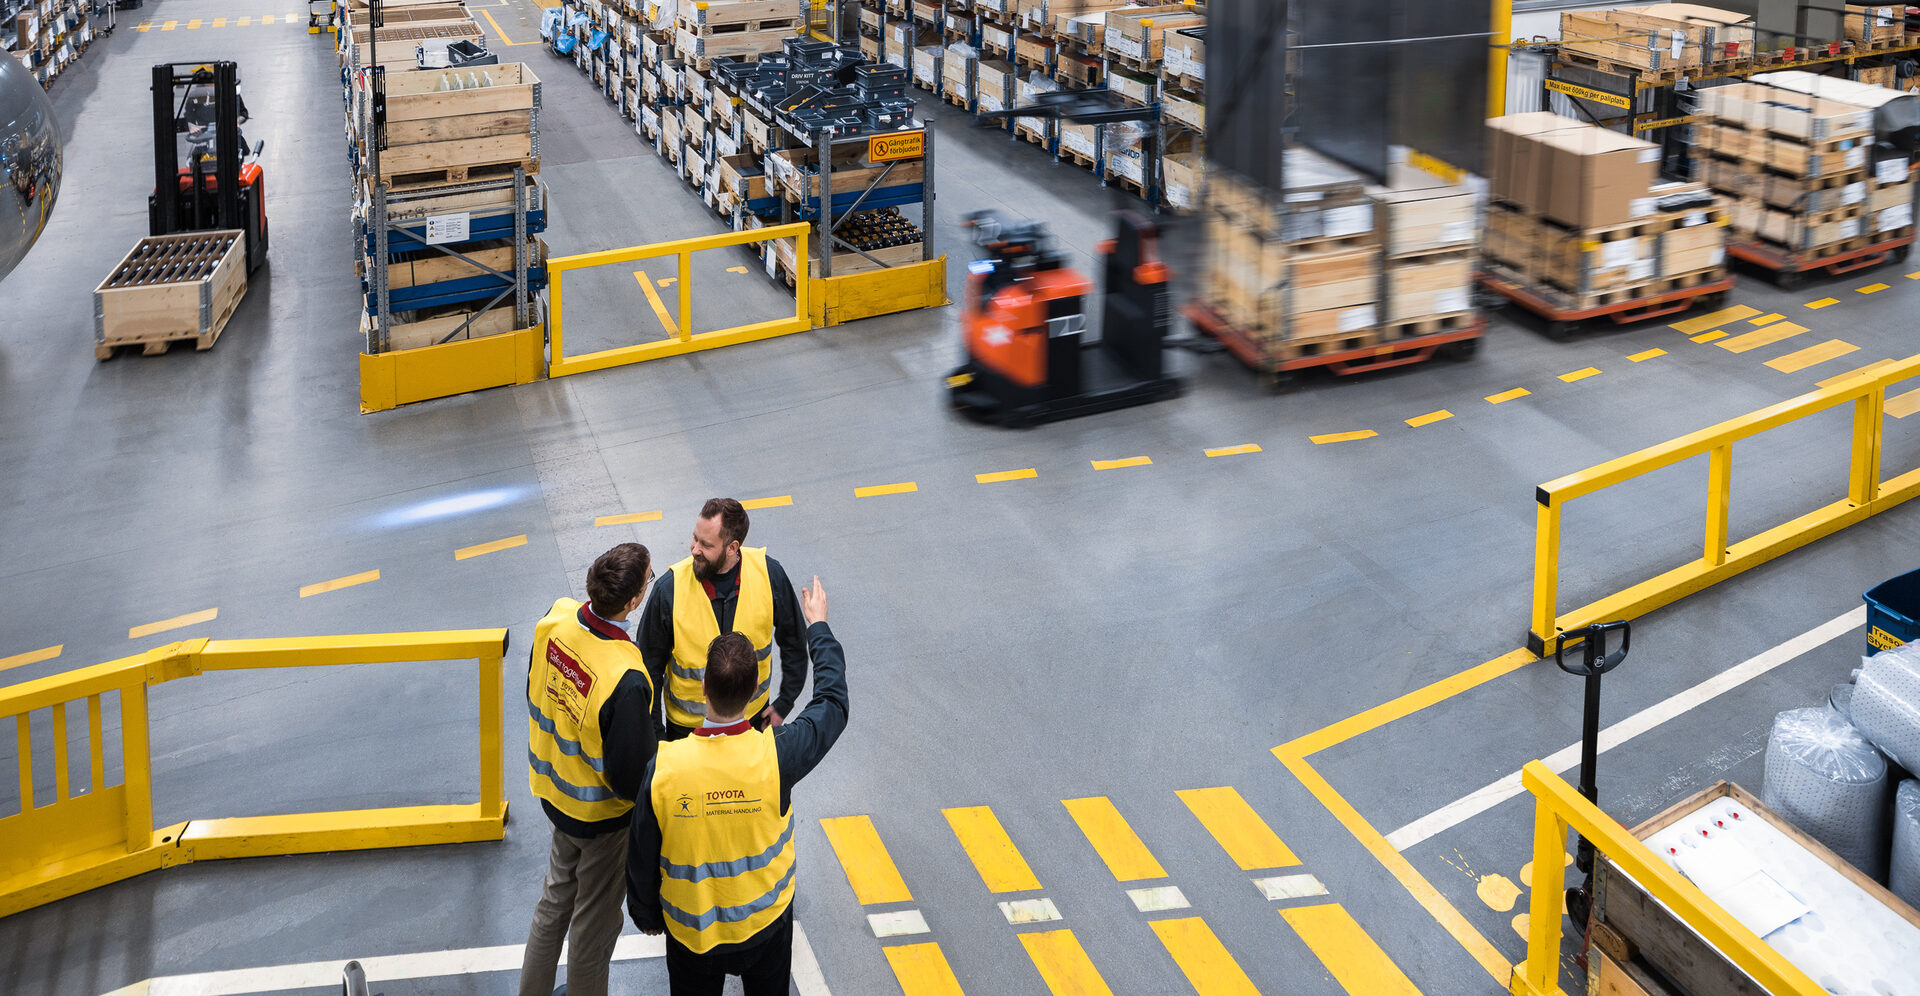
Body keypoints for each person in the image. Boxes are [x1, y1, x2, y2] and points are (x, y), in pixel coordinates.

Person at [628, 576, 848, 996]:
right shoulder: (777, 756)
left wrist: (647, 914)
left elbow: (641, 853)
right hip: (765, 927)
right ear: (752, 696)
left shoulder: (664, 768)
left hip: (692, 936)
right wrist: (817, 626)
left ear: (704, 687)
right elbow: (833, 704)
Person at [520, 543, 658, 996]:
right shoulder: (626, 675)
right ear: (634, 600)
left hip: (555, 795)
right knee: (593, 932)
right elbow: (627, 777)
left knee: (554, 904)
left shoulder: (555, 620)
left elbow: (534, 688)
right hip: (600, 820)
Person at [637, 498, 810, 741]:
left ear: (732, 547)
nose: (694, 549)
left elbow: (794, 641)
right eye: (695, 538)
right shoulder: (669, 590)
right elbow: (648, 671)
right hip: (689, 731)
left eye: (706, 545)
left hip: (752, 722)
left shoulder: (769, 576)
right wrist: (658, 739)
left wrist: (784, 703)